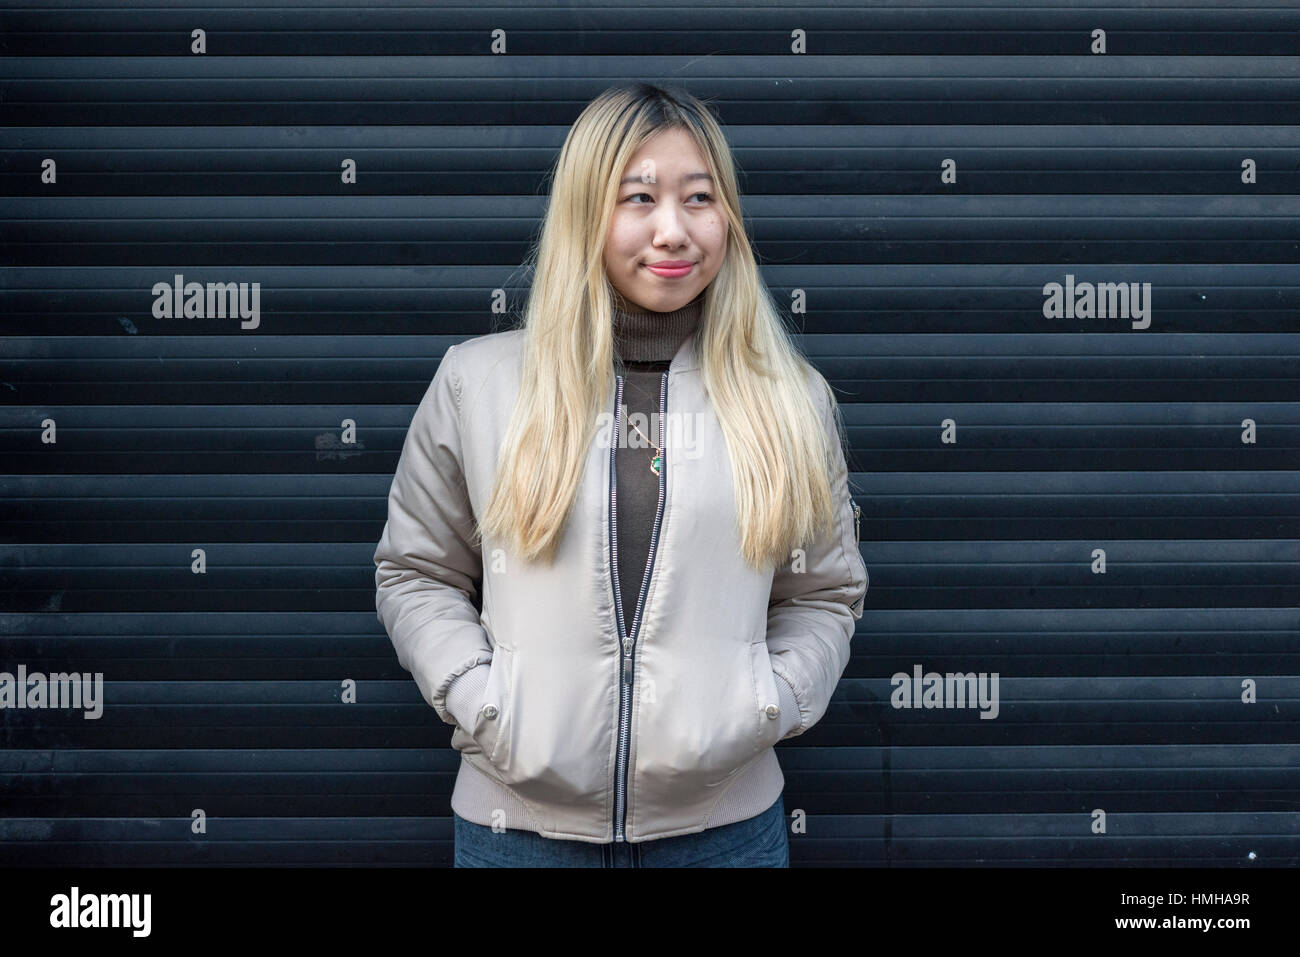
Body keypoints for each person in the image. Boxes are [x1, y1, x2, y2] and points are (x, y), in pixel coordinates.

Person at [373, 81, 868, 868]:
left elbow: (824, 594)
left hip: (726, 836)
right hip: (517, 836)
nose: (674, 229)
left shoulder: (788, 399)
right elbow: (416, 572)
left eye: (699, 197)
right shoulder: (479, 385)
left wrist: (764, 703)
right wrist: (484, 701)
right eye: (639, 197)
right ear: (585, 213)